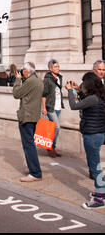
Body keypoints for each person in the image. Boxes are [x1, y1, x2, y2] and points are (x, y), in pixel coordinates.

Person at [66, 72, 105, 209]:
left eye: (83, 83)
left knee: (95, 168)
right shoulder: (98, 96)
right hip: (99, 133)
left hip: (92, 135)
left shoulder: (92, 98)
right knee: (96, 166)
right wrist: (78, 91)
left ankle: (99, 199)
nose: (82, 85)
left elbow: (74, 106)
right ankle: (102, 192)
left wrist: (70, 91)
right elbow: (86, 102)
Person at [13, 62, 44, 182]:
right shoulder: (38, 80)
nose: (21, 72)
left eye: (23, 70)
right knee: (30, 144)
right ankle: (33, 167)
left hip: (27, 116)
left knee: (28, 145)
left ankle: (35, 173)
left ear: (28, 71)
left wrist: (17, 80)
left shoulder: (30, 81)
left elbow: (16, 94)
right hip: (34, 115)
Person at [41, 59, 64, 158]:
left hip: (58, 105)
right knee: (57, 127)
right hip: (50, 107)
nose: (57, 68)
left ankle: (52, 147)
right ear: (50, 68)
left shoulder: (59, 78)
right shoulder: (47, 79)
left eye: (58, 66)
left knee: (53, 128)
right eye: (55, 67)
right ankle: (50, 148)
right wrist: (44, 107)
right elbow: (43, 94)